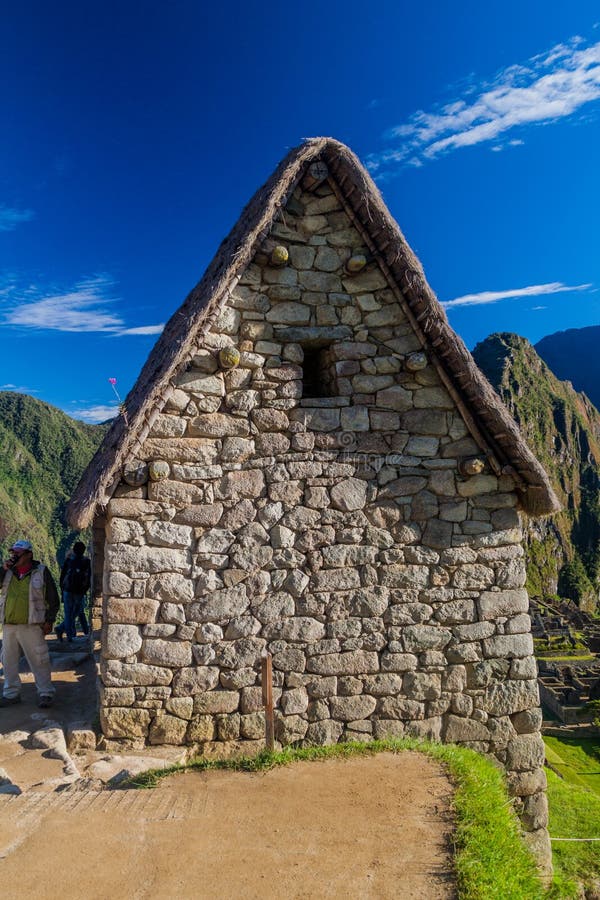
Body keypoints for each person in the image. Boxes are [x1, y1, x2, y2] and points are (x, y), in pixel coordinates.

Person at [0, 539, 59, 708]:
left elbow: (53, 598)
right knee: (8, 660)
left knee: (39, 660)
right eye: (13, 552)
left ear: (29, 555)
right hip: (9, 625)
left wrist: (49, 620)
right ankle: (11, 694)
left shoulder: (41, 572)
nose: (14, 555)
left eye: (18, 553)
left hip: (32, 625)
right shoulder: (8, 572)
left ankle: (46, 693)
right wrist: (3, 569)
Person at [57, 542, 91, 642]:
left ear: (74, 550)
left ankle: (69, 635)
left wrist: (62, 590)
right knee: (77, 612)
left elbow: (62, 577)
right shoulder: (86, 561)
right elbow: (89, 577)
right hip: (79, 592)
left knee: (68, 613)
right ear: (84, 550)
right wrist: (85, 590)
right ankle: (64, 630)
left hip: (67, 590)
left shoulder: (69, 561)